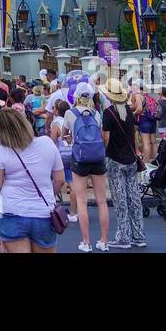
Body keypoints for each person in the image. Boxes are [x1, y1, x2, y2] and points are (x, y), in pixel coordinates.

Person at [0, 107, 65, 253]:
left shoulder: (2, 151)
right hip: (43, 213)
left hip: (12, 212)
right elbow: (59, 180)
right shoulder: (47, 143)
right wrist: (48, 194)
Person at [62, 83, 109, 251]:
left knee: (82, 202)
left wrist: (69, 138)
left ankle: (86, 242)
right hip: (97, 157)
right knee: (102, 201)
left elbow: (64, 134)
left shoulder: (70, 113)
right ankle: (104, 241)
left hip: (80, 157)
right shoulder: (96, 114)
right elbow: (102, 135)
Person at [102, 78, 145, 249]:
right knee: (133, 197)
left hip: (115, 158)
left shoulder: (109, 113)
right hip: (131, 159)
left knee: (120, 199)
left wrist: (106, 151)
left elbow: (106, 136)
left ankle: (123, 236)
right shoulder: (128, 111)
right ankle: (138, 235)